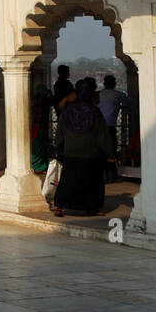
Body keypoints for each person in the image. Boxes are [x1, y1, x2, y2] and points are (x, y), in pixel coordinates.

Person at [52, 78, 116, 217]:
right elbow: (102, 136)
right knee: (92, 183)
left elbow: (60, 133)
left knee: (68, 181)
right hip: (91, 154)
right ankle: (92, 207)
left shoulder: (67, 111)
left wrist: (59, 149)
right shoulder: (95, 112)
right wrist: (109, 152)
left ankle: (59, 206)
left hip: (70, 153)